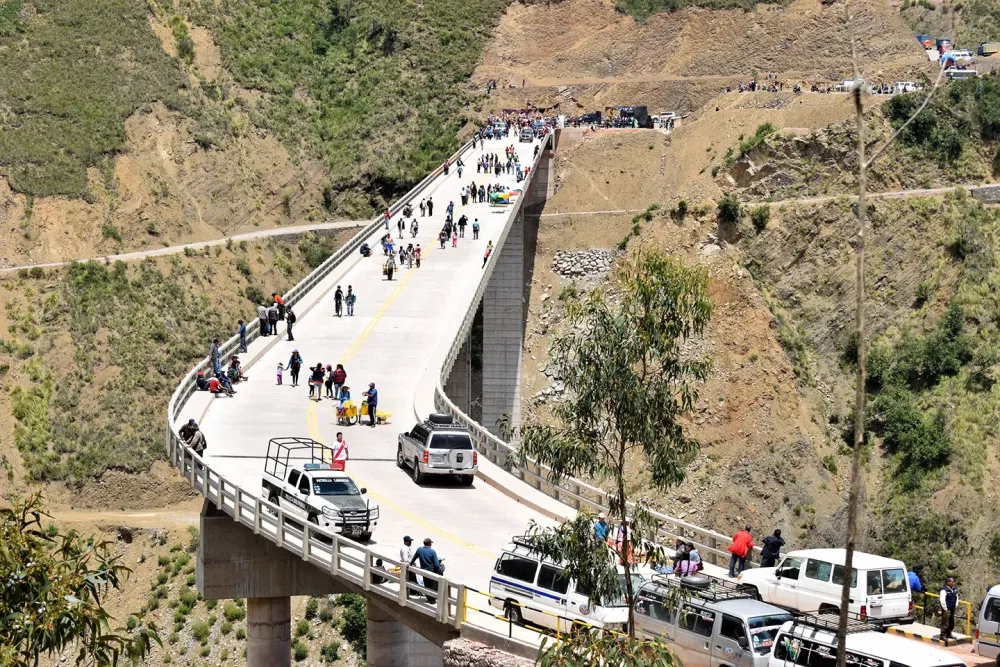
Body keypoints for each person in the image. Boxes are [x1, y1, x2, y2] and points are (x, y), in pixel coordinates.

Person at [410, 538, 444, 602]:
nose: (431, 544)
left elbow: (413, 559)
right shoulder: (432, 552)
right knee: (433, 585)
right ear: (429, 544)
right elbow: (436, 565)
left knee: (427, 585)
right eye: (431, 543)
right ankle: (432, 599)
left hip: (424, 571)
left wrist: (410, 564)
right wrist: (441, 568)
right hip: (432, 571)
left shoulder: (419, 550)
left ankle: (429, 598)